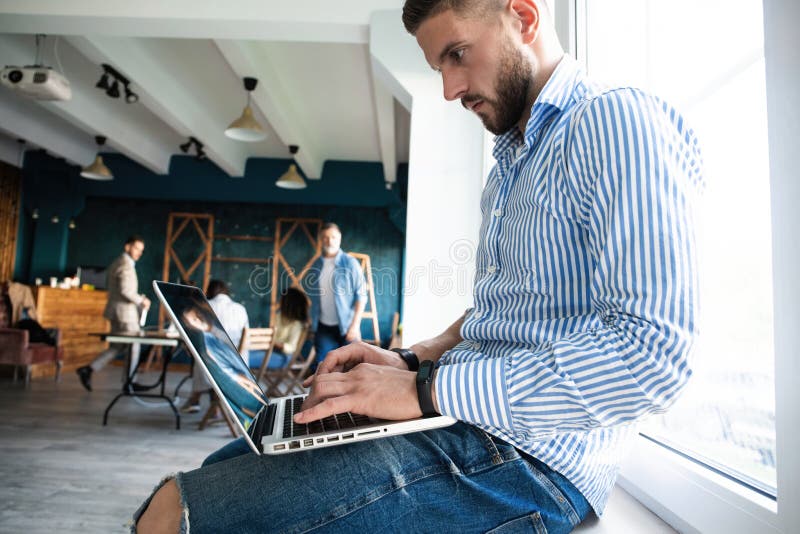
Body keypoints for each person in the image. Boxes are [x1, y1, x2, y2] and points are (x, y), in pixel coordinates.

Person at [134, 1, 703, 532]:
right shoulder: (512, 159)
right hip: (465, 425)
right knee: (227, 461)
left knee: (173, 513)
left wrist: (425, 391)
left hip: (535, 460)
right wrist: (410, 358)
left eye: (456, 54)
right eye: (438, 67)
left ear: (524, 16)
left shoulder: (615, 122)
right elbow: (499, 315)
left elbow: (651, 356)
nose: (451, 88)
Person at [76, 235, 150, 392]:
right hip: (125, 314)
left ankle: (88, 369)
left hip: (116, 312)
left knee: (119, 346)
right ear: (127, 246)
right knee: (133, 345)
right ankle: (129, 383)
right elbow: (125, 290)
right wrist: (142, 300)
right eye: (136, 248)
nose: (139, 253)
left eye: (141, 250)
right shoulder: (125, 264)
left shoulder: (118, 262)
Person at [181, 279, 249, 413]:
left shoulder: (206, 307)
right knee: (210, 354)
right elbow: (246, 339)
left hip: (217, 363)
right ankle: (215, 407)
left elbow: (196, 333)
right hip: (239, 363)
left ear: (209, 292)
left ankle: (195, 399)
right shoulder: (240, 308)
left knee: (203, 357)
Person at [307, 222, 367, 366]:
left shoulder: (350, 262)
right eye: (326, 237)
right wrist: (311, 321)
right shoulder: (316, 265)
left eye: (333, 237)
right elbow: (313, 297)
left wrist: (354, 326)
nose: (330, 241)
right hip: (323, 326)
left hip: (347, 326)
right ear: (321, 240)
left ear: (339, 238)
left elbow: (361, 296)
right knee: (322, 366)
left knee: (351, 368)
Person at [248, 286, 309, 370]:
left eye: (282, 299)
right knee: (242, 352)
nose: (279, 301)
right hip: (268, 350)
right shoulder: (278, 316)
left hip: (283, 357)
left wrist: (274, 343)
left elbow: (291, 348)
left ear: (288, 303)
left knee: (246, 358)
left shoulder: (297, 324)